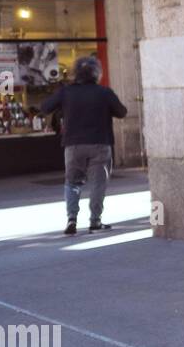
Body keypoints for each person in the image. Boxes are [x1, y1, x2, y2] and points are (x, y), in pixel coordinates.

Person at [39, 55, 127, 235]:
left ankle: (72, 219)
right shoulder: (104, 93)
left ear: (76, 73)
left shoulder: (66, 92)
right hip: (100, 143)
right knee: (98, 183)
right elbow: (122, 112)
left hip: (74, 145)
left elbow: (45, 107)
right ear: (97, 73)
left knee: (72, 182)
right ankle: (95, 221)